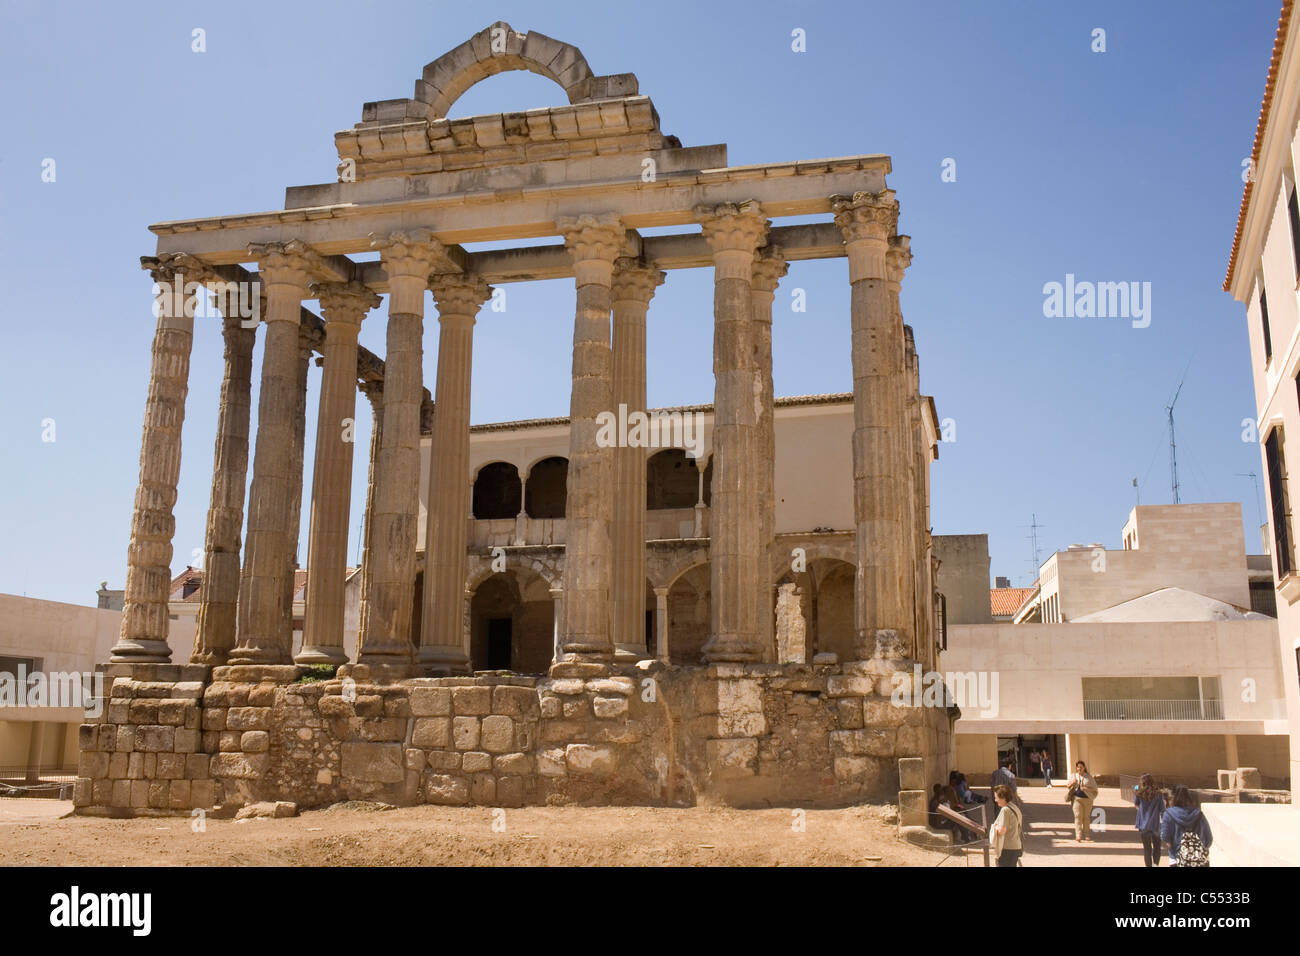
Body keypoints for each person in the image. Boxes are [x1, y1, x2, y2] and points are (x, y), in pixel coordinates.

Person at [1160, 785, 1212, 867]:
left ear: (1173, 798)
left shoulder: (1168, 814)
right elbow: (1208, 839)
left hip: (1176, 859)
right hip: (1199, 860)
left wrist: (1174, 849)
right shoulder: (1199, 814)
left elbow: (1165, 838)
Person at [1132, 773, 1164, 866]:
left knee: (1147, 848)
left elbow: (1136, 804)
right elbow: (1162, 809)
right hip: (1155, 824)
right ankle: (1156, 864)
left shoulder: (1139, 793)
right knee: (1157, 846)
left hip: (1143, 824)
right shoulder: (1158, 794)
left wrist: (1142, 810)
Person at [990, 783, 1023, 867]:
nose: (995, 800)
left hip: (1007, 848)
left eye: (996, 797)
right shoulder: (1014, 807)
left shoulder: (1005, 810)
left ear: (1003, 798)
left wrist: (994, 828)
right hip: (1016, 846)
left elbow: (1002, 831)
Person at [1066, 760, 1099, 842]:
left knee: (1086, 817)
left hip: (1087, 799)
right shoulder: (1074, 776)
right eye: (1078, 767)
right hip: (1077, 799)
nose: (1079, 768)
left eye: (1081, 767)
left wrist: (1085, 788)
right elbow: (1068, 786)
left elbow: (1095, 789)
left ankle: (1087, 834)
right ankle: (1078, 835)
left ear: (1084, 768)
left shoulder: (1089, 777)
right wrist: (1073, 782)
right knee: (1078, 816)